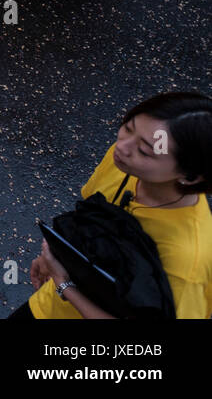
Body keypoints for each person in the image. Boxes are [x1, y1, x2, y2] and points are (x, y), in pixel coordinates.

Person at [13, 92, 212, 319]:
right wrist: (52, 258)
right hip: (44, 309)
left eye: (145, 150)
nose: (123, 146)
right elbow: (88, 218)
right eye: (128, 127)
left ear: (191, 176)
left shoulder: (189, 261)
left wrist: (64, 285)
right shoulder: (126, 163)